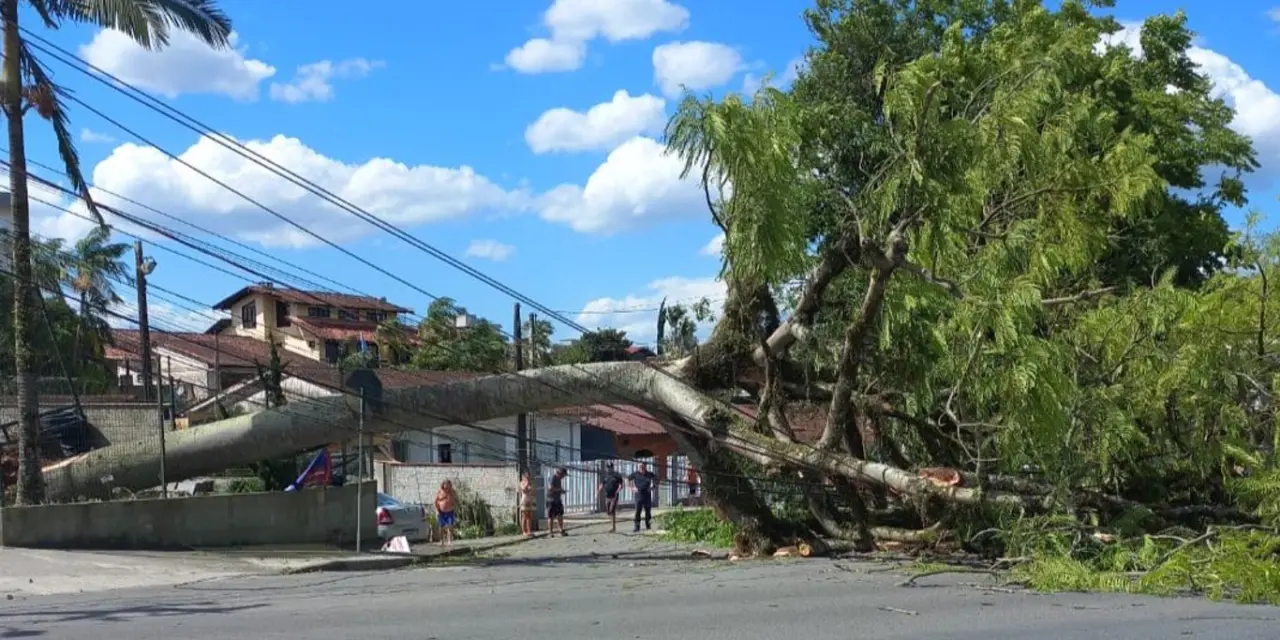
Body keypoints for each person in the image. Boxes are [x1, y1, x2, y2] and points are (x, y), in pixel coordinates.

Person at [629, 462, 657, 533]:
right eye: (640, 466)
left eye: (642, 466)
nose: (641, 468)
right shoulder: (635, 474)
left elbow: (656, 480)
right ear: (638, 467)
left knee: (648, 511)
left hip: (647, 494)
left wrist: (652, 487)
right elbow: (627, 479)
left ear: (645, 467)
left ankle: (648, 526)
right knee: (638, 511)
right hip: (638, 494)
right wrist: (632, 488)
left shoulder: (649, 474)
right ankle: (637, 527)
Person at [596, 463, 625, 533]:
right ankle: (612, 524)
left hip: (614, 495)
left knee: (612, 510)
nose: (609, 469)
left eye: (610, 467)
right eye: (608, 467)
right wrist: (597, 492)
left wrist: (618, 490)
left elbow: (621, 485)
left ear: (612, 468)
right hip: (607, 496)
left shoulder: (617, 475)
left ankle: (613, 527)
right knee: (608, 511)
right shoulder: (605, 476)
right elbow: (602, 484)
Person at [434, 479, 459, 548]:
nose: (447, 487)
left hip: (450, 512)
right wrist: (437, 511)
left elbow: (457, 500)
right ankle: (441, 541)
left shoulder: (452, 492)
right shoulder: (439, 491)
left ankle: (449, 541)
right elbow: (435, 501)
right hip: (441, 512)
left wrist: (454, 506)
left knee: (450, 526)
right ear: (443, 485)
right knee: (441, 527)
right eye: (446, 485)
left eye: (449, 485)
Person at [547, 467, 569, 537]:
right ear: (560, 473)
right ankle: (550, 532)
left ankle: (561, 530)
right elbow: (550, 488)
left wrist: (561, 491)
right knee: (551, 516)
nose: (563, 477)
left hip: (558, 499)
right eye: (563, 475)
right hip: (551, 499)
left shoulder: (559, 479)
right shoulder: (553, 478)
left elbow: (557, 489)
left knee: (560, 515)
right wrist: (560, 490)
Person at [518, 471, 536, 537]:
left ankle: (529, 531)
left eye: (528, 476)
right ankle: (524, 531)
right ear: (523, 477)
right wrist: (527, 483)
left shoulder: (531, 483)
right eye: (526, 476)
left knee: (530, 517)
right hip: (524, 501)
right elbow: (524, 490)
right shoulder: (522, 483)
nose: (528, 478)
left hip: (530, 501)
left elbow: (533, 491)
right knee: (524, 516)